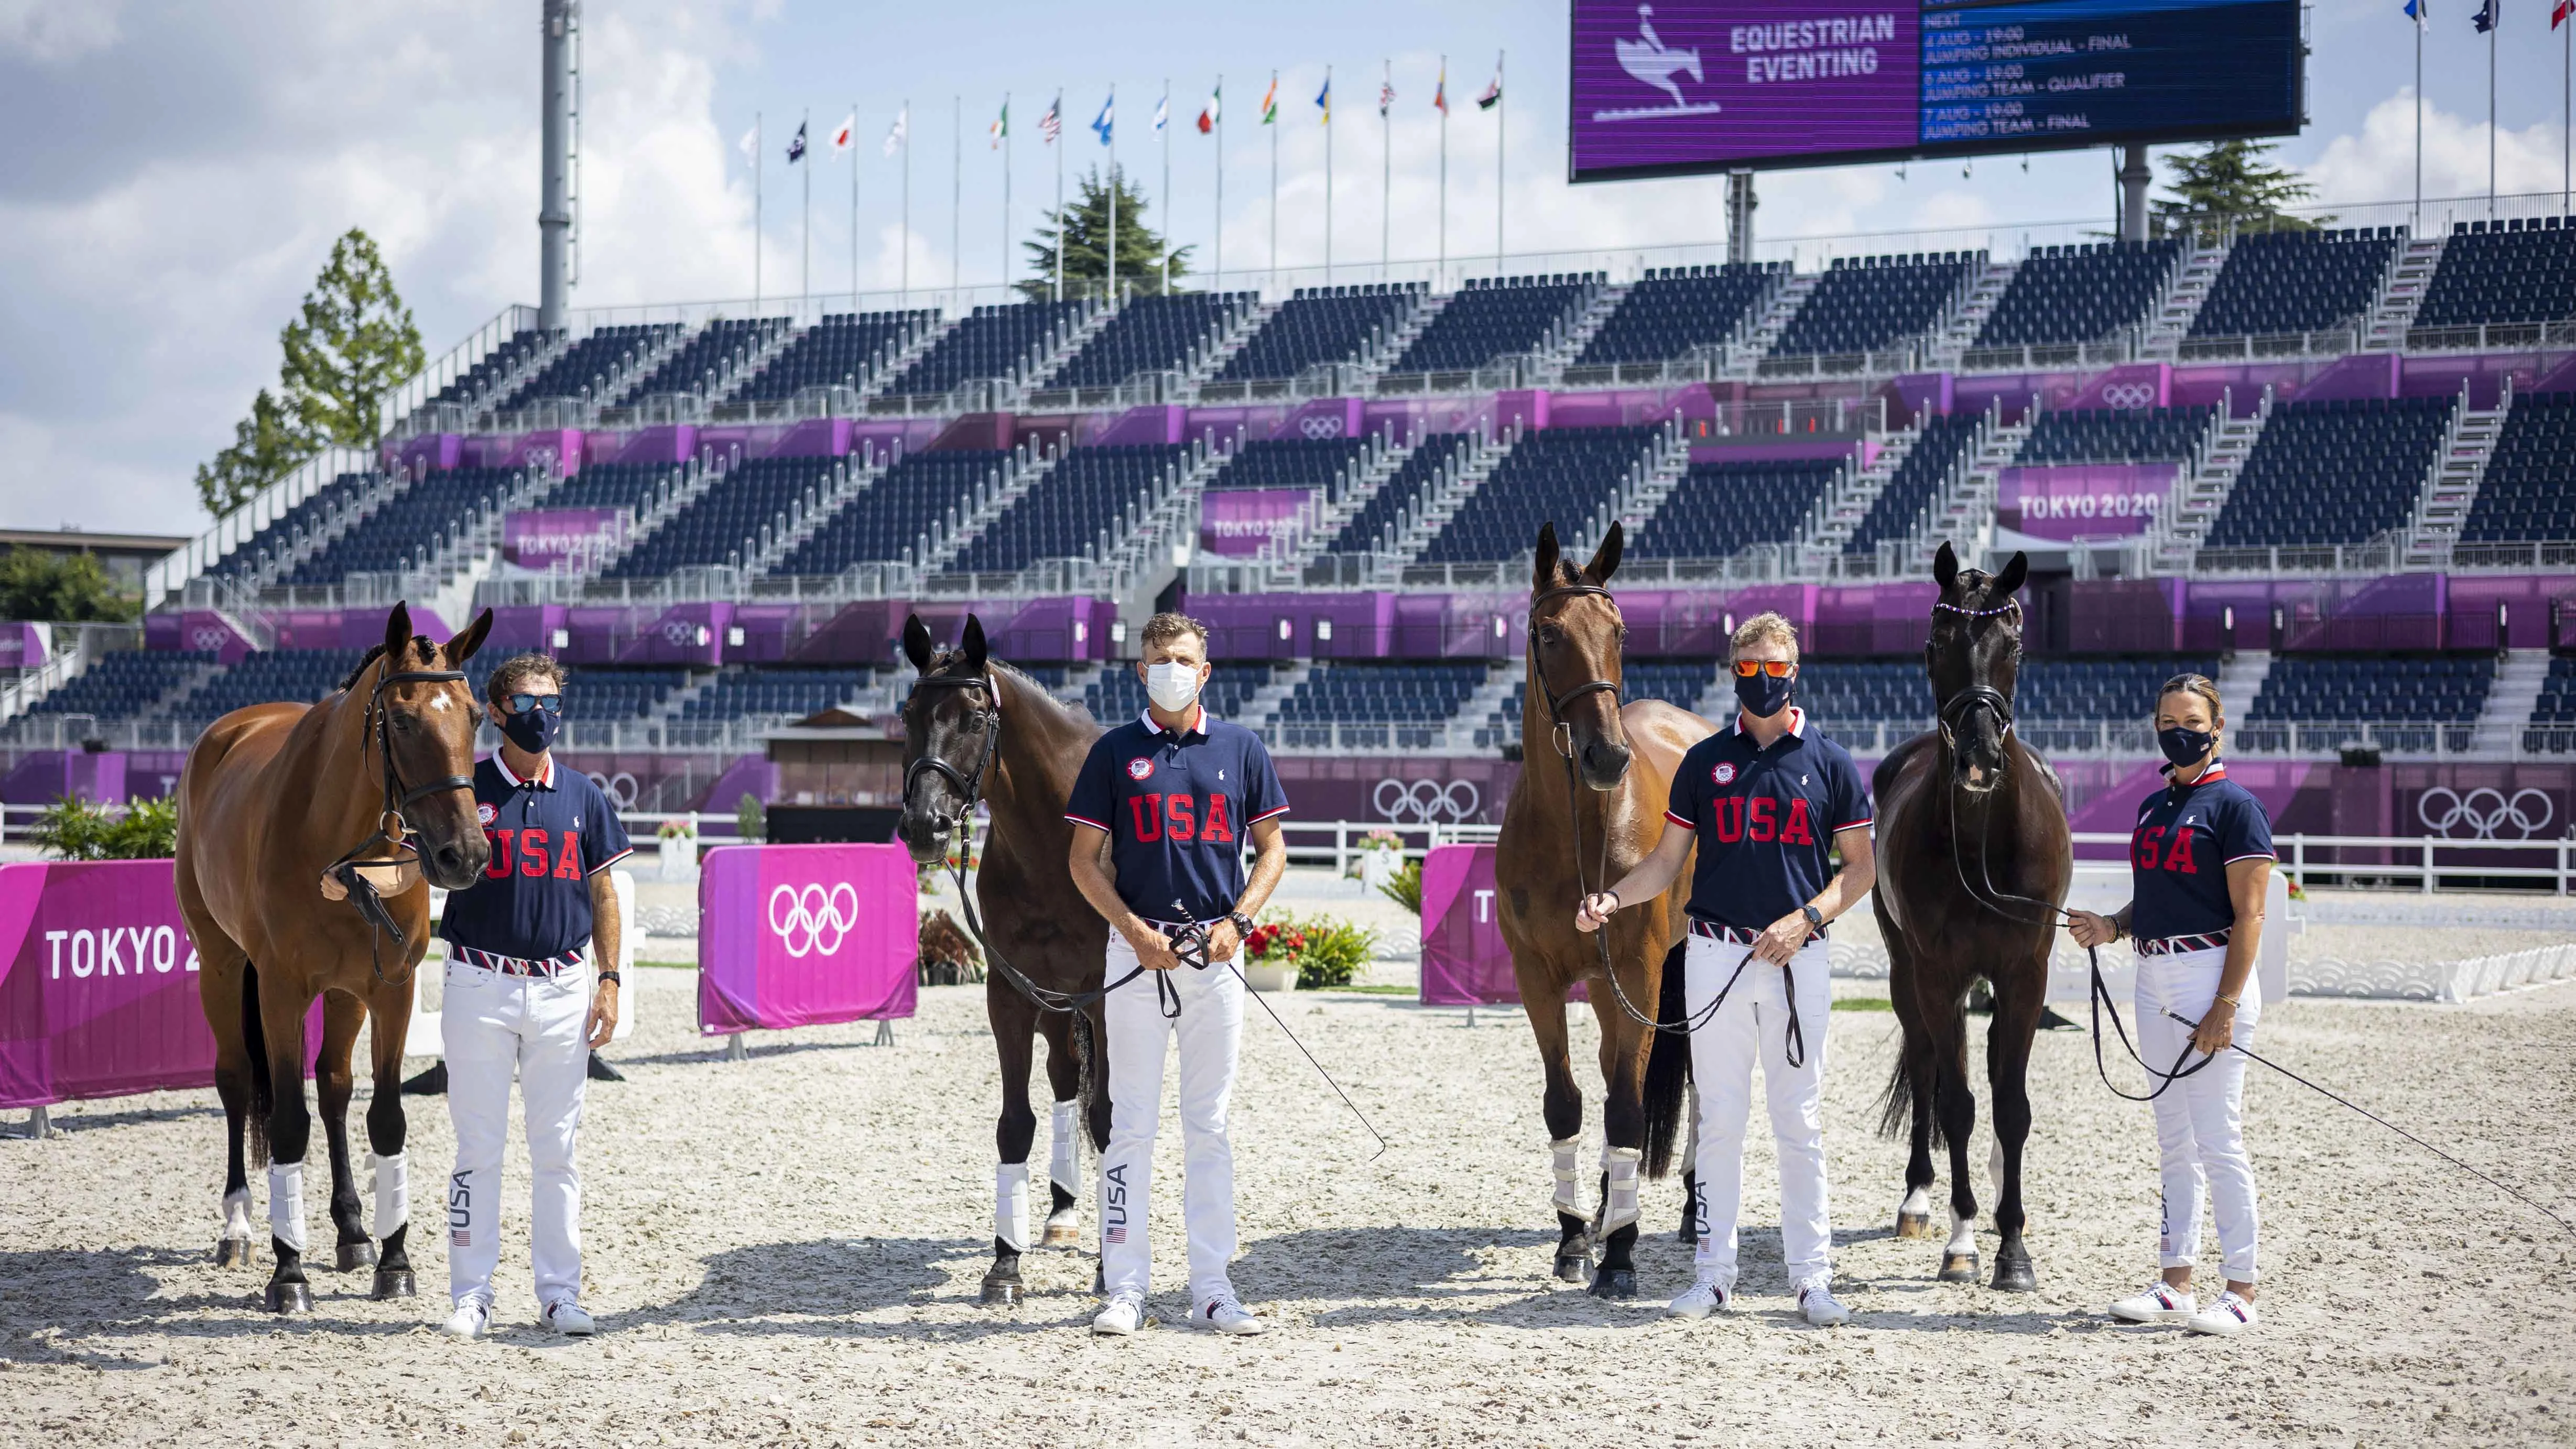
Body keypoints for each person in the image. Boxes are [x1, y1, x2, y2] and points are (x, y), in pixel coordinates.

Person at [1575, 613, 1875, 1327]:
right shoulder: (1703, 762)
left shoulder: (1829, 762)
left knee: (1797, 1120)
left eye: (1774, 667)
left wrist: (1807, 917)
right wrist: (1613, 896)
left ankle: (1811, 1279)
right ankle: (1712, 1274)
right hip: (1712, 954)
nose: (1762, 680)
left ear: (1792, 671)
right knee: (1719, 1122)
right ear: (1732, 671)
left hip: (1797, 955)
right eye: (1748, 669)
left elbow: (1859, 870)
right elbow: (1665, 862)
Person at [1063, 613, 1290, 1337]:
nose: (1169, 666)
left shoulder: (1240, 747)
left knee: (1209, 1126)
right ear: (1139, 670)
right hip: (1134, 957)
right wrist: (1131, 930)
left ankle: (1213, 1288)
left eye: (1181, 657)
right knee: (1128, 1125)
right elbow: (1081, 862)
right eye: (1157, 657)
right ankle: (1124, 1289)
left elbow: (1272, 849)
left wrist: (1240, 922)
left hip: (1214, 957)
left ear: (1204, 670)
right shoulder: (1111, 753)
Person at [2069, 674, 2273, 1337]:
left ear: (2216, 727)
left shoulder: (2236, 806)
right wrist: (2112, 925)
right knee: (2173, 1139)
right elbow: (2155, 896)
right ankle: (2175, 1281)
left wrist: (2225, 1002)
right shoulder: (2154, 806)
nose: (2176, 730)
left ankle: (2239, 1288)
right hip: (2152, 973)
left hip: (2209, 972)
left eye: (2190, 719)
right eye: (2166, 719)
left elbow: (2251, 915)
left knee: (2219, 1137)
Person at [437, 653, 632, 1339]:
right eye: (524, 702)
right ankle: (472, 1295)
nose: (539, 714)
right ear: (494, 712)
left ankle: (559, 1294)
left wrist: (609, 979)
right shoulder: (466, 792)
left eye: (550, 701)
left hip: (561, 989)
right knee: (477, 1150)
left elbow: (604, 892)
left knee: (557, 1152)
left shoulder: (585, 795)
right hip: (478, 983)